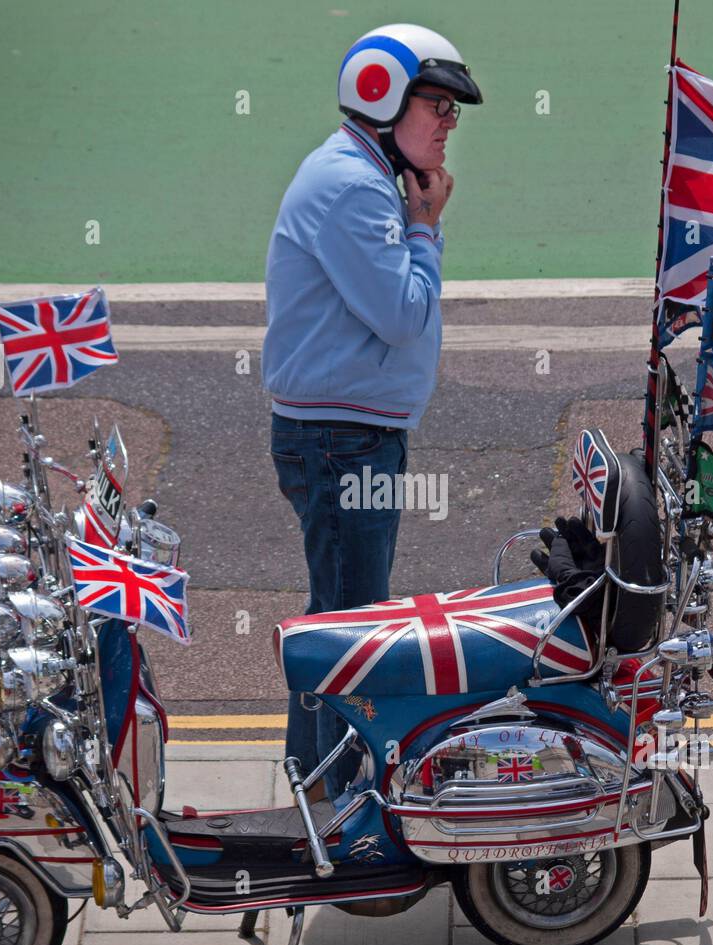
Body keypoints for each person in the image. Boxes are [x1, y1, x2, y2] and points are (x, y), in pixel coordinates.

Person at [262, 23, 483, 799]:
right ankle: (334, 800)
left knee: (340, 617)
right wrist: (427, 229)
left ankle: (314, 784)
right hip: (341, 443)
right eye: (439, 105)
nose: (450, 123)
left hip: (347, 435)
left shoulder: (362, 175)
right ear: (382, 99)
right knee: (352, 629)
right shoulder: (356, 188)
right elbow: (402, 315)